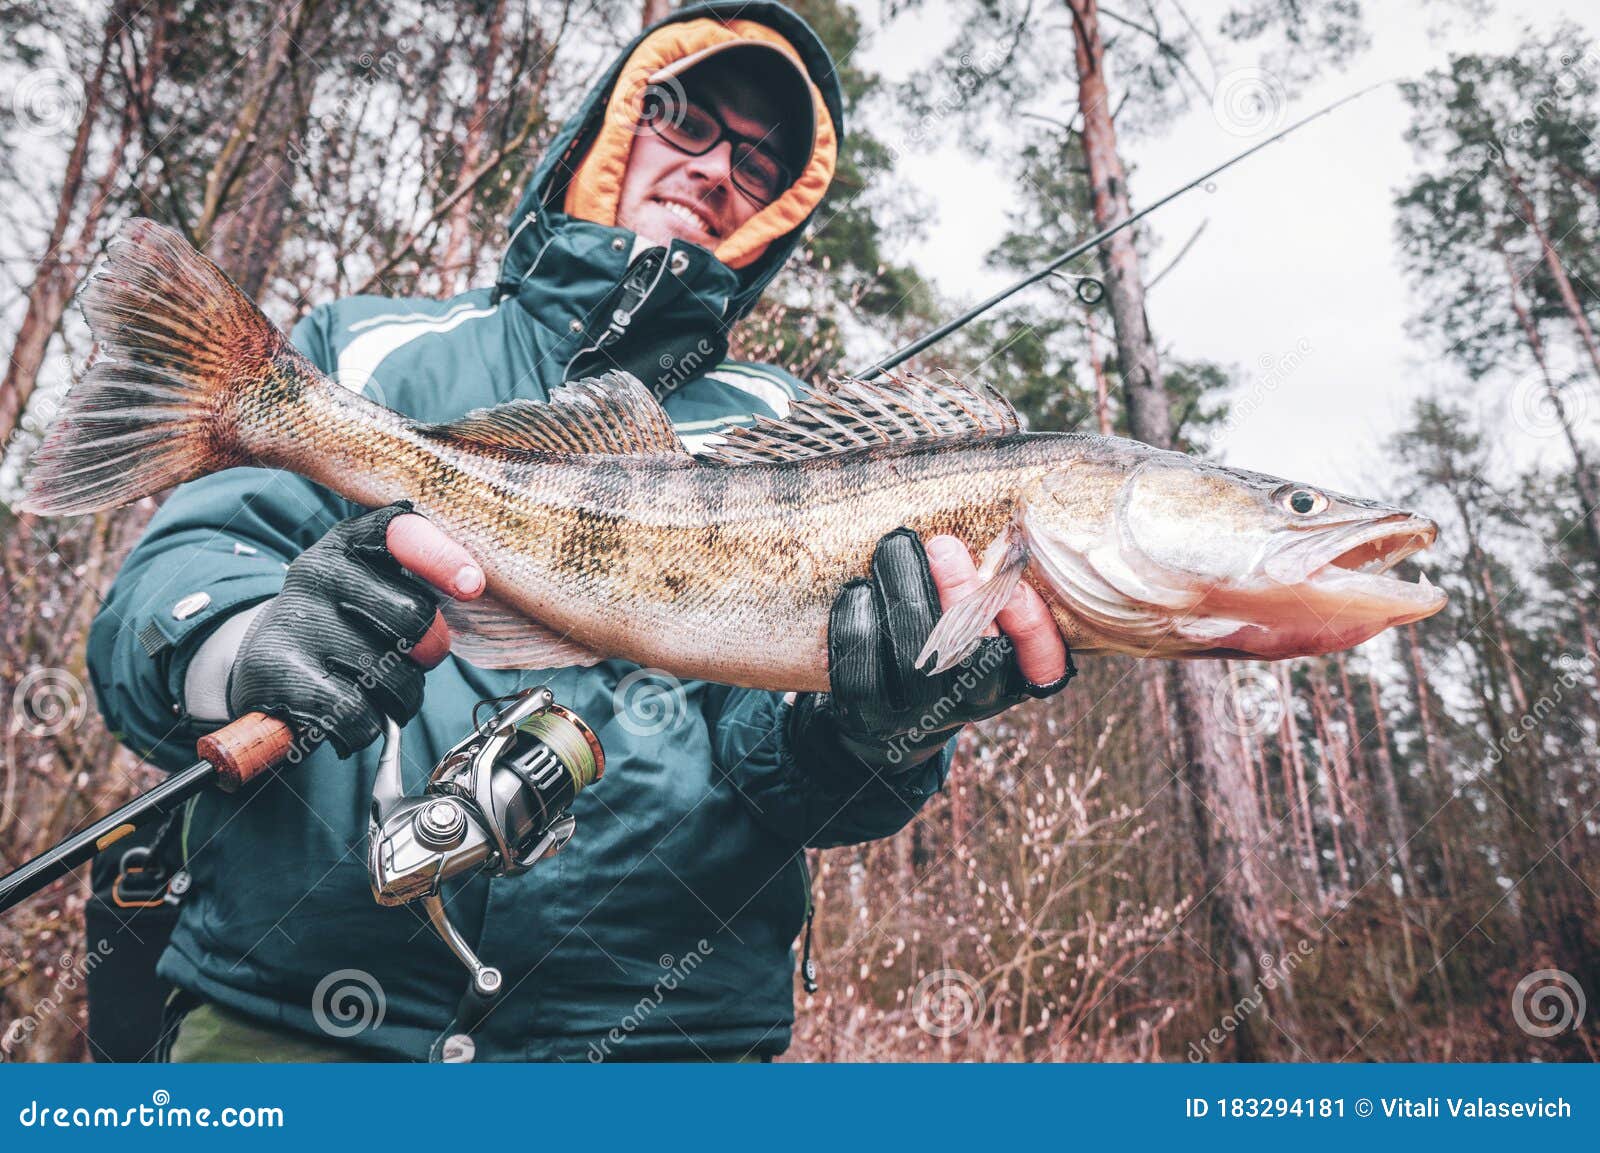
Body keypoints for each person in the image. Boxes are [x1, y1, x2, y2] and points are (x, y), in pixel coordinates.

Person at [87, 1, 1071, 1063]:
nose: (713, 169)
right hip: (292, 1023)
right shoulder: (368, 352)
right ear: (605, 129)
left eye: (757, 162)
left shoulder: (796, 434)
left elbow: (778, 767)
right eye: (684, 121)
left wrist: (879, 732)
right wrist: (246, 648)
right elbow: (169, 590)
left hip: (657, 1059)